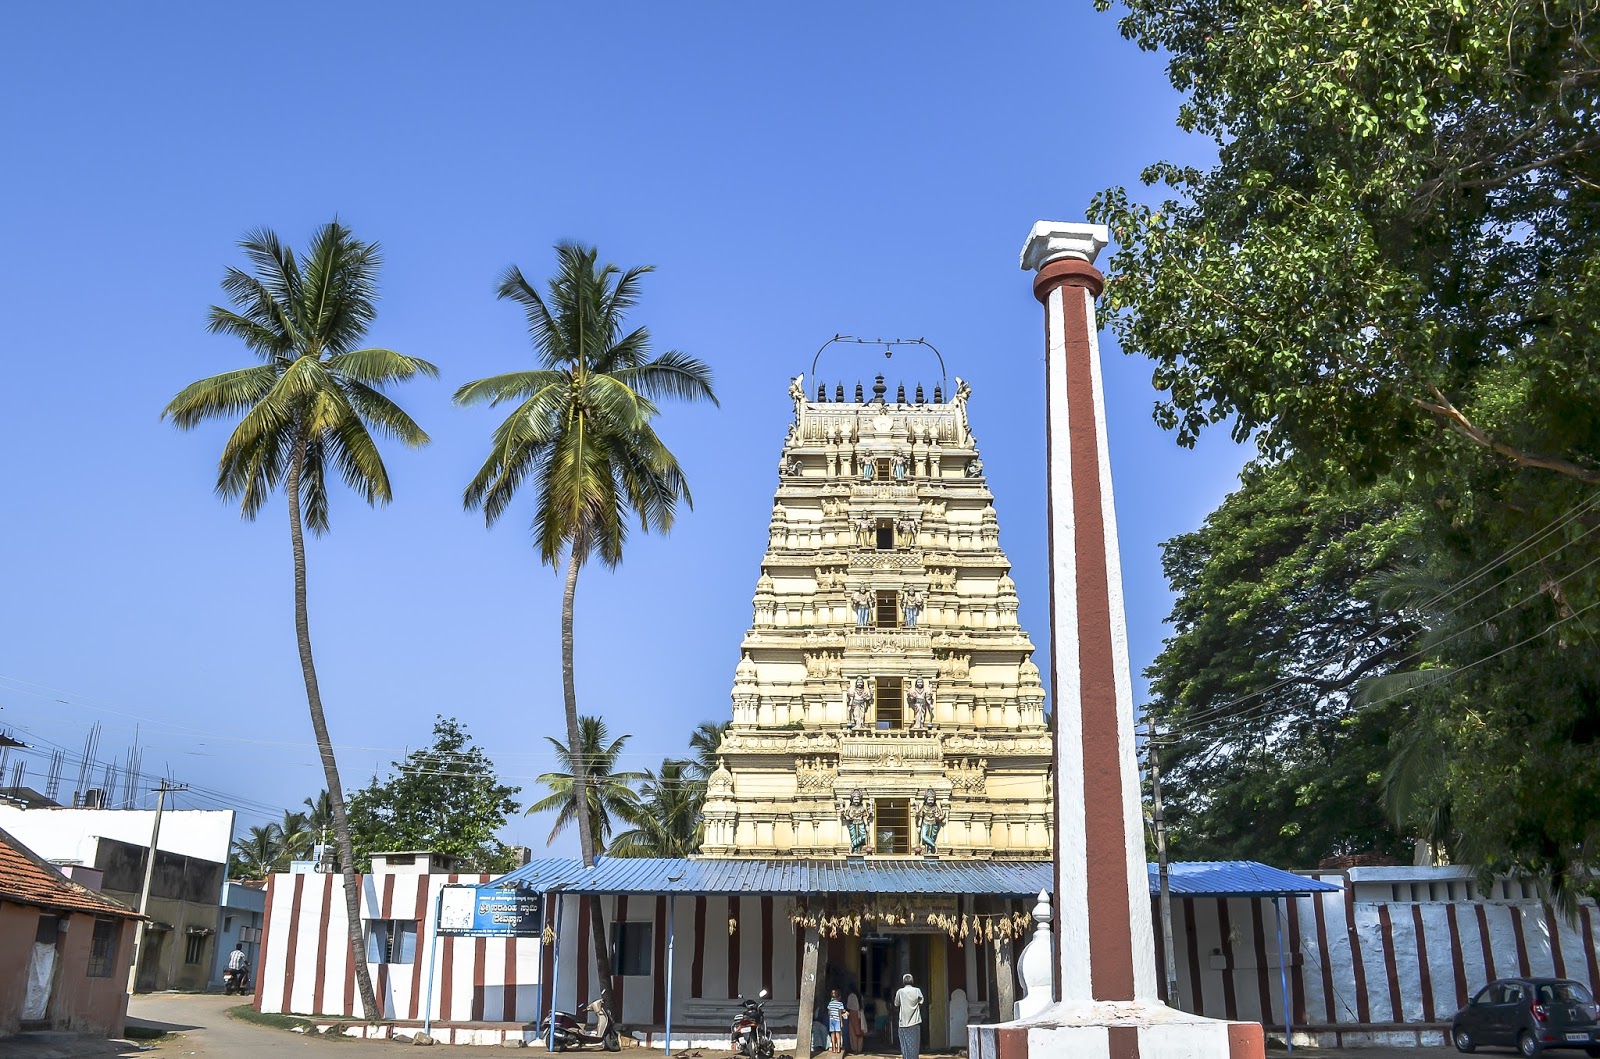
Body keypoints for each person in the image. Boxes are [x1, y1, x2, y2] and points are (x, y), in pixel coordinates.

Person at [895, 973, 925, 1059]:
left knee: (904, 1046)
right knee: (915, 1046)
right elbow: (921, 1001)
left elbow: (896, 1003)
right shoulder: (917, 990)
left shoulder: (900, 992)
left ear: (903, 981)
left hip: (903, 1023)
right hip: (914, 1022)